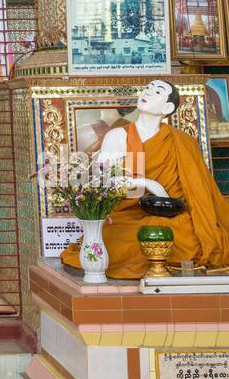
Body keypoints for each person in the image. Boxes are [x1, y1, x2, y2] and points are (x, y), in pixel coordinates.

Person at [61, 78, 229, 278]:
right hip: (128, 214)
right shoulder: (117, 136)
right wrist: (148, 183)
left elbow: (199, 192)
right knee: (119, 240)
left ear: (167, 107)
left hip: (172, 215)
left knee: (192, 237)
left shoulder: (182, 141)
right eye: (147, 88)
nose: (148, 92)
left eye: (157, 91)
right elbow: (105, 182)